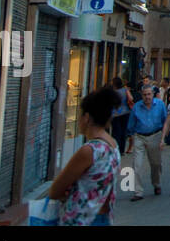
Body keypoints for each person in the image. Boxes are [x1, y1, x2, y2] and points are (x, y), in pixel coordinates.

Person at [48, 87, 120, 225]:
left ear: (86, 118)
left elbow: (55, 191)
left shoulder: (89, 151)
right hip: (104, 217)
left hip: (83, 220)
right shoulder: (113, 145)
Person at [125, 84, 167, 201]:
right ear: (141, 95)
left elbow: (165, 121)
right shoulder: (136, 107)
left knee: (156, 164)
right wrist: (131, 136)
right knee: (137, 165)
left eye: (149, 94)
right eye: (144, 95)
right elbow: (131, 124)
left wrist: (163, 137)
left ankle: (156, 184)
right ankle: (138, 191)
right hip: (139, 137)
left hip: (155, 135)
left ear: (153, 94)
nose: (147, 97)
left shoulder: (160, 105)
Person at [109, 76, 132, 155]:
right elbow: (131, 98)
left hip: (115, 114)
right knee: (123, 131)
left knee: (116, 132)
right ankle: (122, 150)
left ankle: (116, 149)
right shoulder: (125, 90)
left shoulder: (112, 92)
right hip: (125, 112)